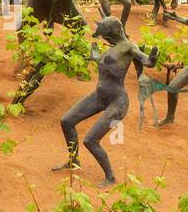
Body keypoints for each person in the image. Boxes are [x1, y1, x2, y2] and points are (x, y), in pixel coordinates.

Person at [54, 16, 157, 186]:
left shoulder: (129, 47)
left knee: (91, 140)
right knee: (66, 121)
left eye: (104, 34)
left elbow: (146, 60)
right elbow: (101, 61)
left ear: (112, 32)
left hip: (117, 102)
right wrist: (94, 55)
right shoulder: (113, 48)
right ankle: (73, 161)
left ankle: (110, 177)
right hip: (99, 97)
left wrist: (151, 60)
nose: (103, 38)